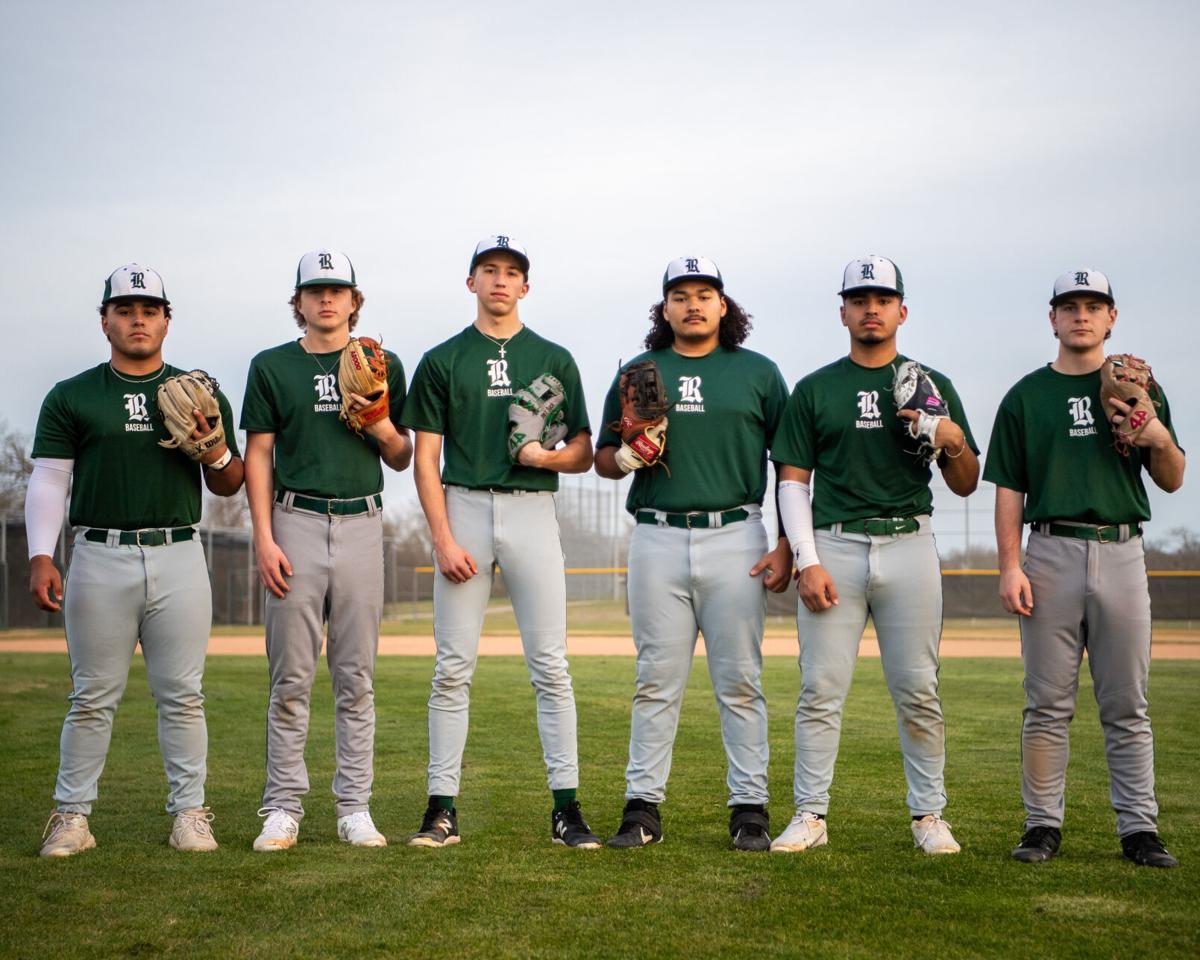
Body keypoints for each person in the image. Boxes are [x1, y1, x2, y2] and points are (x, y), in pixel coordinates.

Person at [30, 263, 244, 857]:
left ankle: (190, 814)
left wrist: (217, 447)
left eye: (149, 310)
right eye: (125, 310)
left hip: (178, 551)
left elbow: (230, 484)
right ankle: (72, 816)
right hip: (99, 554)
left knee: (183, 693)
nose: (138, 319)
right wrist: (40, 554)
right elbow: (50, 479)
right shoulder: (73, 395)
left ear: (167, 321)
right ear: (105, 321)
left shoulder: (199, 391)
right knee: (91, 696)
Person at [771, 255, 978, 855]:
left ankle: (928, 816)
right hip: (834, 541)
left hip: (910, 539)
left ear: (901, 310)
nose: (870, 308)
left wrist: (952, 439)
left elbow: (965, 481)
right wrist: (807, 559)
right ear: (843, 311)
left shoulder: (930, 384)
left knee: (918, 688)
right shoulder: (815, 387)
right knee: (820, 688)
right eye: (859, 299)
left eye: (882, 299)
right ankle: (810, 814)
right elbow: (792, 482)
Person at [400, 235, 600, 848]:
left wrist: (547, 455)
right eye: (489, 270)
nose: (500, 281)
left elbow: (586, 451)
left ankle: (566, 808)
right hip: (463, 506)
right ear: (472, 282)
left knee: (550, 665)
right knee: (452, 667)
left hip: (533, 508)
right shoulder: (443, 359)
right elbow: (425, 460)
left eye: (512, 273)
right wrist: (441, 537)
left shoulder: (554, 357)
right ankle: (441, 809)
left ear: (525, 287)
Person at [985, 268, 1185, 868]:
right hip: (1050, 549)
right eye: (1069, 306)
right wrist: (1009, 566)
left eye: (1093, 305)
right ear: (1052, 318)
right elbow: (1008, 489)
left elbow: (1173, 477)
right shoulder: (1026, 395)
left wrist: (1153, 435)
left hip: (1123, 547)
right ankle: (1042, 824)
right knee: (1046, 703)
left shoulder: (1138, 385)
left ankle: (1139, 830)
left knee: (1127, 704)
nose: (1080, 315)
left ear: (1111, 317)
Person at [595, 255, 792, 851]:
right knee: (656, 679)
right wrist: (626, 458)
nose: (693, 303)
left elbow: (790, 465)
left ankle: (750, 809)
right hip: (656, 533)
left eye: (705, 293)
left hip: (737, 533)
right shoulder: (639, 370)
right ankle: (642, 808)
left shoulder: (758, 372)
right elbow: (603, 458)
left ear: (723, 305)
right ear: (665, 308)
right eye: (680, 295)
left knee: (740, 681)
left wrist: (787, 543)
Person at [241, 249, 411, 851]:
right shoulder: (271, 366)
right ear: (300, 302)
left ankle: (354, 807)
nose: (327, 299)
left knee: (355, 677)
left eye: (338, 290)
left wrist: (378, 421)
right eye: (315, 291)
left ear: (355, 300)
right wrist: (263, 536)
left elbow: (400, 455)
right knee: (290, 676)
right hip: (294, 520)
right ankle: (283, 806)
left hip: (363, 521)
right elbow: (258, 455)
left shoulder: (380, 362)